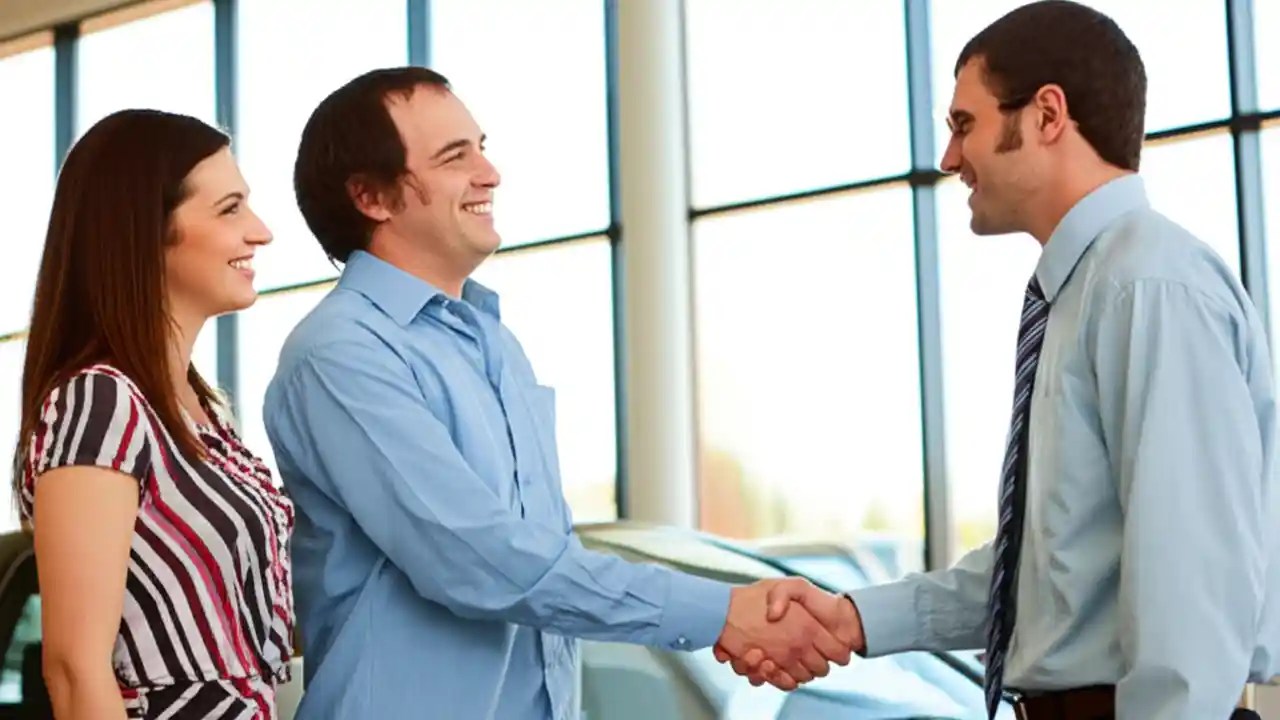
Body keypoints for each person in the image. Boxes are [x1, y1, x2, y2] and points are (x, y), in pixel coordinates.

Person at [724, 2, 1280, 719]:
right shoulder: (1087, 290)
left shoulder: (1148, 287)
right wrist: (854, 618)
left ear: (1048, 115)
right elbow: (1045, 573)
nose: (950, 159)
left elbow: (1192, 594)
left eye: (964, 125)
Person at [261, 66, 851, 720]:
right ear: (372, 197)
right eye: (456, 157)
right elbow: (477, 560)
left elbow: (549, 560)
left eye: (481, 147)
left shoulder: (494, 345)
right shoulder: (341, 352)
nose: (490, 173)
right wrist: (721, 612)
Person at [12, 109, 294, 720]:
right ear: (144, 232)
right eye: (230, 209)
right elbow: (74, 669)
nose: (261, 231)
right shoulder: (99, 403)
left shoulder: (196, 413)